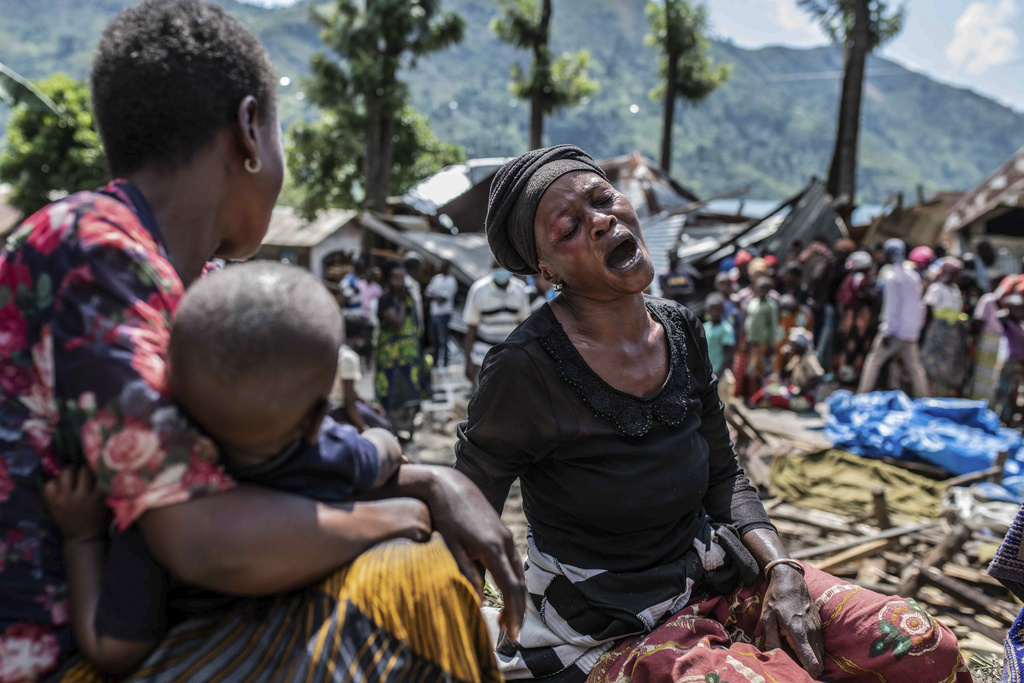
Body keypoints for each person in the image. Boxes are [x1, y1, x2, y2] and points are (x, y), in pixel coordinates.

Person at [0, 3, 524, 680]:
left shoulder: (193, 282)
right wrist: (403, 511)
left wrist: (430, 475)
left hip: (154, 616)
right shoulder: (90, 249)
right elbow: (200, 537)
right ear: (250, 129)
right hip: (69, 655)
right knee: (414, 576)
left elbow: (271, 461)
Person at [456, 143, 970, 683]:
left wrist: (781, 569)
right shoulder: (524, 368)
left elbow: (724, 474)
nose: (603, 222)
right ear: (547, 268)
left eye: (604, 199)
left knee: (919, 643)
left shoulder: (679, 327)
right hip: (606, 620)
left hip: (715, 574)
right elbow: (467, 509)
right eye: (570, 228)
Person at [43, 263, 408, 674]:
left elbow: (114, 651)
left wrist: (82, 539)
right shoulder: (335, 456)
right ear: (315, 417)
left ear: (167, 394)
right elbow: (386, 450)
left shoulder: (161, 512)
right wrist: (384, 445)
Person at [857, 239, 930, 397]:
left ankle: (861, 396)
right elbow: (919, 306)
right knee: (916, 369)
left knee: (873, 363)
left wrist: (887, 331)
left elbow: (892, 307)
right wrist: (915, 329)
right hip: (910, 331)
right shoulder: (913, 276)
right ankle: (925, 400)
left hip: (894, 331)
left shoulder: (891, 277)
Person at [375, 260, 427, 438]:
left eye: (402, 277)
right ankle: (391, 430)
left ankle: (409, 428)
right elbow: (397, 323)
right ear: (388, 279)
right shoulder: (385, 300)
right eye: (396, 278)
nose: (401, 281)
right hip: (389, 357)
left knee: (410, 389)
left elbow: (418, 322)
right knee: (390, 391)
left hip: (409, 355)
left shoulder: (409, 297)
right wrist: (404, 301)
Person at [462, 265, 531, 385]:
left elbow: (524, 325)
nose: (501, 270)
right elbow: (471, 327)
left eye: (503, 266)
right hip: (483, 356)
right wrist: (468, 361)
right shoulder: (479, 289)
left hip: (511, 354)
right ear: (491, 268)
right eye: (496, 266)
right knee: (483, 396)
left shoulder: (520, 289)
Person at [921, 257, 968, 396]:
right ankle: (930, 394)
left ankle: (944, 396)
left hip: (953, 332)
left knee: (950, 364)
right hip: (938, 330)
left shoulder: (955, 289)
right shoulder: (937, 288)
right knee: (933, 364)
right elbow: (928, 308)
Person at [834, 251, 880, 386]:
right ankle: (848, 379)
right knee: (853, 348)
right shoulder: (860, 279)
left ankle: (844, 377)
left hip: (852, 319)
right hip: (858, 319)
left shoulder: (852, 278)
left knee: (848, 348)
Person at [742, 276, 779, 399]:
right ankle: (750, 396)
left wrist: (771, 344)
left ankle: (757, 397)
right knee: (750, 370)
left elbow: (773, 326)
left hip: (762, 342)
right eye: (759, 288)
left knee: (758, 371)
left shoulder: (770, 305)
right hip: (752, 341)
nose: (760, 291)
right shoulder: (753, 302)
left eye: (763, 289)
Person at [799, 236, 834, 343]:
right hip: (815, 302)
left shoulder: (813, 259)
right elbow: (817, 277)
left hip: (808, 300)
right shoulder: (822, 260)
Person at [425, 262, 458, 368]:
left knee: (443, 340)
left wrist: (434, 295)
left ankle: (444, 363)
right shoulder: (436, 278)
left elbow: (444, 299)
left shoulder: (451, 281)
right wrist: (437, 296)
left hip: (444, 314)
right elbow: (427, 293)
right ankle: (435, 363)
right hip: (434, 313)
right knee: (434, 340)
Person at [703, 293, 735, 376]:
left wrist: (719, 374)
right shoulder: (705, 326)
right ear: (707, 309)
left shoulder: (726, 329)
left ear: (722, 310)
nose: (714, 312)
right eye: (711, 309)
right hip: (707, 371)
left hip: (719, 372)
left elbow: (728, 355)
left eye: (717, 309)